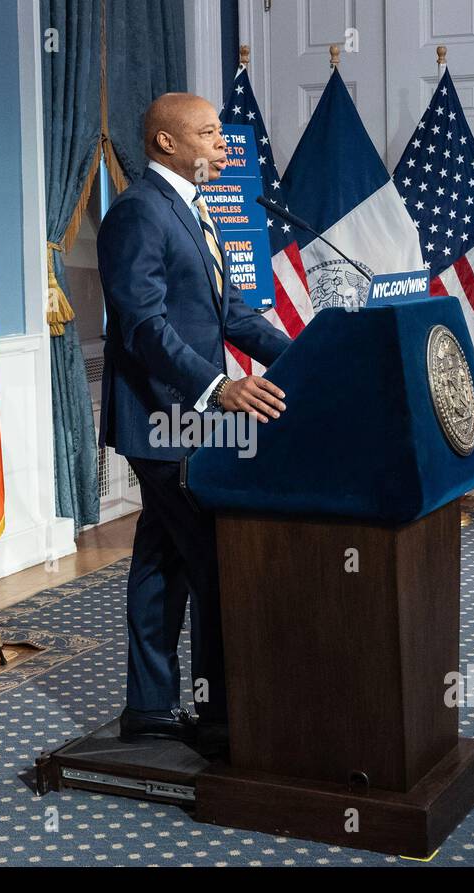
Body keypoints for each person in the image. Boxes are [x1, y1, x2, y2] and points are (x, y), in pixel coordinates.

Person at [96, 92, 292, 746]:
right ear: (165, 144)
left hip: (193, 416)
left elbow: (231, 316)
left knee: (163, 560)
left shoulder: (196, 210)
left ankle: (150, 711)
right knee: (215, 561)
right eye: (209, 134)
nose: (224, 144)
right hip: (163, 419)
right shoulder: (137, 215)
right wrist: (218, 387)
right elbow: (144, 327)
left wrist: (311, 359)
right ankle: (221, 720)